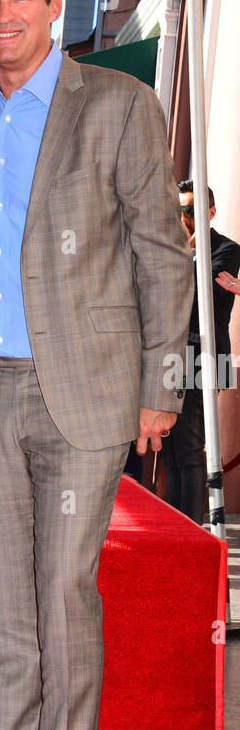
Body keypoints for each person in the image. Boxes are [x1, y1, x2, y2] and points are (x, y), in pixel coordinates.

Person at [0, 0, 193, 730]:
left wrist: (162, 384)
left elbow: (161, 252)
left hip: (86, 391)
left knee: (62, 591)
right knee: (5, 594)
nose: (3, 14)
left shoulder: (120, 105)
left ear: (54, 7)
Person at [160, 181, 240, 523]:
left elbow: (197, 289)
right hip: (171, 358)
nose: (184, 217)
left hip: (204, 358)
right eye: (179, 209)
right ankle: (176, 531)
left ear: (210, 213)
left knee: (191, 453)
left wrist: (184, 250)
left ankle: (189, 535)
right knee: (172, 455)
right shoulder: (168, 248)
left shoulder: (227, 249)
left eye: (191, 210)